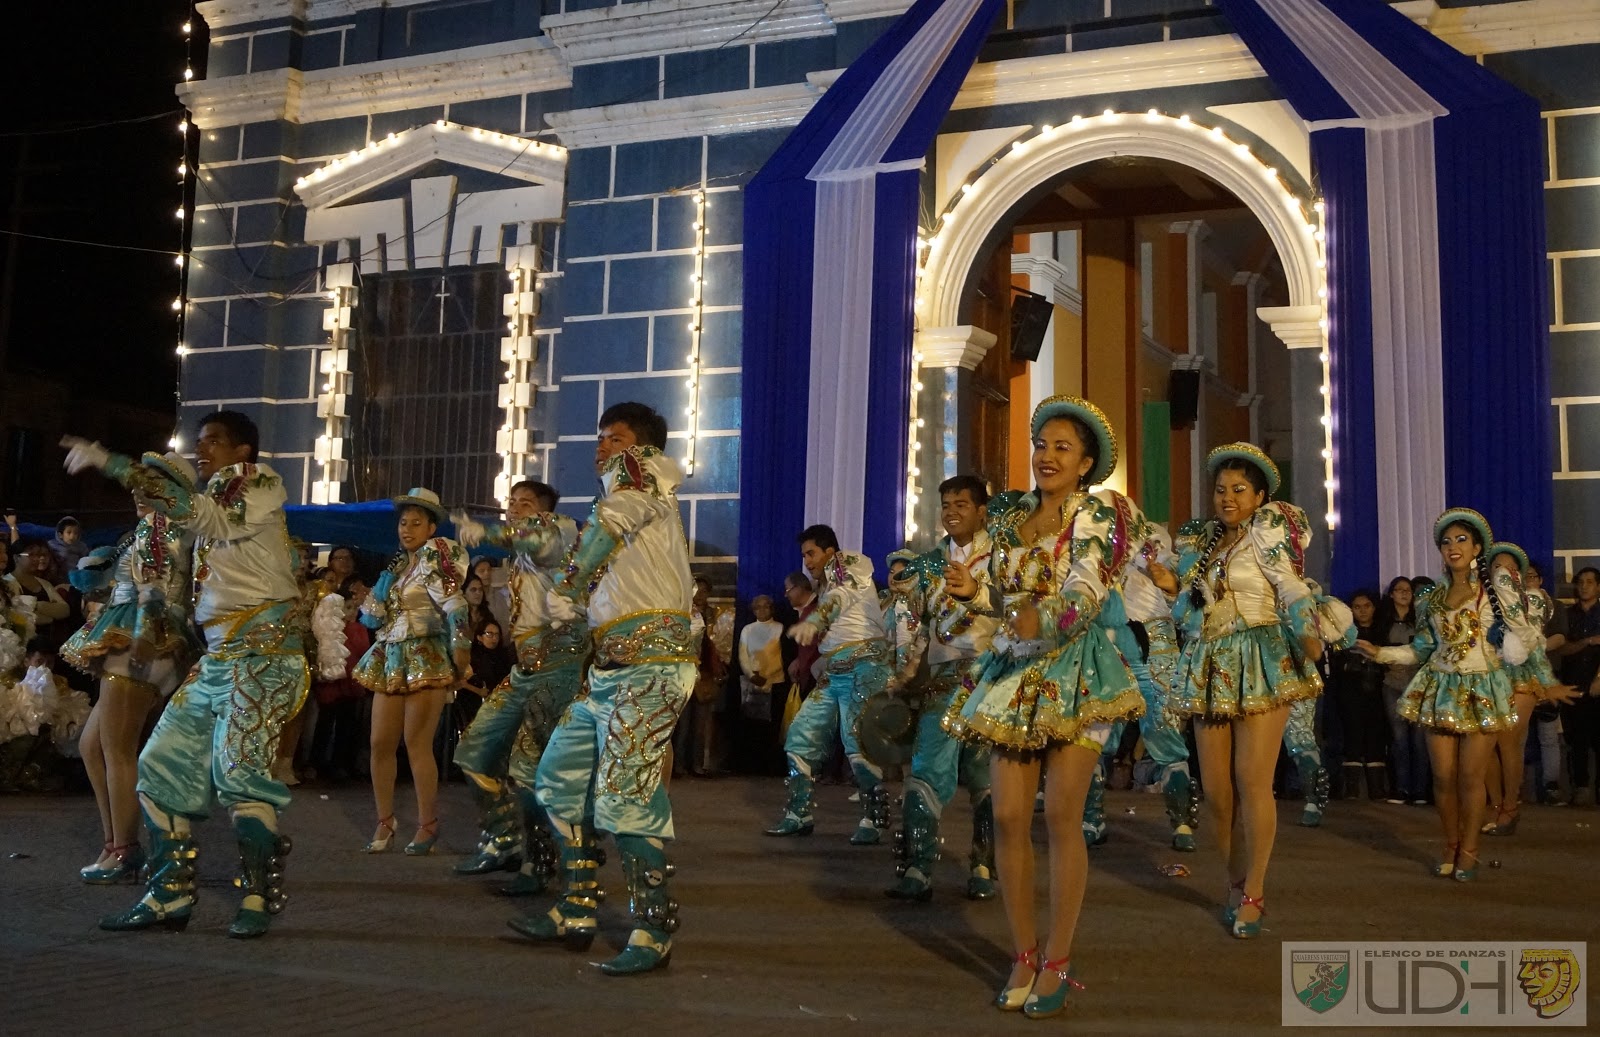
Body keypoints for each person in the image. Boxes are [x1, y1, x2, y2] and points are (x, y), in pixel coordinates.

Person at [61, 411, 308, 937]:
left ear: (244, 451)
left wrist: (114, 464)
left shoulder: (257, 483)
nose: (204, 451)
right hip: (219, 658)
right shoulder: (202, 507)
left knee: (239, 773)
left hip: (264, 655)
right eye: (200, 443)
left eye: (215, 442)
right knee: (158, 765)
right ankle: (169, 894)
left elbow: (206, 518)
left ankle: (258, 898)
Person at [942, 396, 1150, 1017]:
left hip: (1078, 673)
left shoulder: (1098, 517)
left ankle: (1058, 954)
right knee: (1007, 817)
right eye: (1042, 445)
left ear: (1086, 463)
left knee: (1061, 815)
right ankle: (1023, 951)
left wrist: (1037, 617)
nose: (1048, 455)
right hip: (1014, 673)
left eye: (1063, 447)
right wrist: (976, 592)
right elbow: (1002, 602)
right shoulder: (1011, 524)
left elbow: (1085, 594)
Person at [508, 402, 695, 976]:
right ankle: (578, 906)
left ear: (641, 447)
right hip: (607, 673)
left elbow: (598, 538)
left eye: (613, 438)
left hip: (653, 667)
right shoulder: (616, 507)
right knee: (556, 780)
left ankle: (653, 926)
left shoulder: (639, 478)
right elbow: (581, 546)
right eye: (600, 439)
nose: (602, 448)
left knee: (625, 797)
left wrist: (570, 584)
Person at [1157, 443, 1342, 938]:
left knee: (1251, 780)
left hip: (1263, 655)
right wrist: (1171, 587)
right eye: (1220, 490)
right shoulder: (1203, 546)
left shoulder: (1269, 533)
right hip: (1211, 662)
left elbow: (1290, 584)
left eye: (1239, 489)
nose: (1227, 497)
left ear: (1260, 496)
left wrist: (1309, 635)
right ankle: (1235, 882)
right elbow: (1186, 613)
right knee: (1217, 793)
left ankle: (1255, 890)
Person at [1355, 510, 1547, 881]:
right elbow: (1421, 648)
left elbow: (1526, 636)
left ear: (1477, 547)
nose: (1453, 547)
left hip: (1482, 688)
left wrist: (1510, 645)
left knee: (1470, 778)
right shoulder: (1431, 598)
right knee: (1442, 777)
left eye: (1461, 540)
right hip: (1441, 687)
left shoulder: (1494, 593)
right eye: (1446, 541)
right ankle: (1451, 844)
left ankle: (1471, 851)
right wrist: (1381, 653)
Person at [60, 456, 198, 883]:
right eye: (138, 485)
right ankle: (115, 843)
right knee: (91, 746)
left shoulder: (162, 527)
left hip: (142, 638)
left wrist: (141, 634)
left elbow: (154, 589)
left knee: (118, 750)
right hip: (137, 633)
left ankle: (124, 850)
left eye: (153, 484)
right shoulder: (150, 528)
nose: (139, 492)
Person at [448, 479, 587, 896]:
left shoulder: (559, 529)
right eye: (512, 502)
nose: (515, 508)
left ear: (545, 508)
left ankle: (542, 861)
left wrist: (488, 531)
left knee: (530, 770)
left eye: (525, 503)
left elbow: (538, 540)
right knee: (474, 752)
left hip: (561, 663)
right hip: (524, 668)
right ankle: (503, 840)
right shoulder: (519, 555)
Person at [882, 474, 1000, 902]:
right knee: (927, 770)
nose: (951, 512)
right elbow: (918, 629)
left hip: (993, 680)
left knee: (987, 778)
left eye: (961, 504)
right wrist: (905, 676)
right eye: (946, 504)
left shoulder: (1005, 558)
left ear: (982, 510)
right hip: (943, 680)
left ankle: (984, 866)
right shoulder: (927, 564)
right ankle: (918, 868)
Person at [353, 488, 471, 856]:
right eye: (403, 523)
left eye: (416, 523)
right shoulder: (397, 567)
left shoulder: (440, 556)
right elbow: (370, 616)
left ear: (432, 527)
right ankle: (385, 820)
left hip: (426, 652)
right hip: (390, 655)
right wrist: (385, 582)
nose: (407, 529)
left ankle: (427, 823)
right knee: (379, 744)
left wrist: (461, 656)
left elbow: (456, 607)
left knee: (417, 743)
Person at [764, 524, 892, 843]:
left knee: (858, 745)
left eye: (811, 553)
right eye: (804, 555)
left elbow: (842, 594)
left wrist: (816, 621)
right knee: (799, 737)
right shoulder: (823, 585)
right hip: (835, 672)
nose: (807, 561)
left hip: (864, 667)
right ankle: (798, 813)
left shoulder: (849, 563)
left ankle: (873, 818)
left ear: (830, 552)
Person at [1080, 523, 1199, 851]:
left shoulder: (1175, 565)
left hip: (1158, 652)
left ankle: (1182, 822)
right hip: (1112, 649)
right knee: (1096, 736)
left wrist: (1171, 585)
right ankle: (1092, 818)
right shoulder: (1103, 560)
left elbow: (1194, 614)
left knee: (1165, 733)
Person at [1482, 545, 1574, 834]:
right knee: (1484, 745)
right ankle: (1498, 807)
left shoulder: (1532, 600)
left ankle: (1511, 806)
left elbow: (1532, 642)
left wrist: (1548, 682)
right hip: (1486, 675)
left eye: (1508, 566)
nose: (1502, 571)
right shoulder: (1480, 600)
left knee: (1508, 742)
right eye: (1497, 566)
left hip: (1522, 676)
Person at [307, 575, 370, 782]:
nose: (350, 613)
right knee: (326, 724)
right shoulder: (332, 631)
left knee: (347, 725)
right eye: (346, 608)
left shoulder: (357, 629)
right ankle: (318, 763)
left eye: (353, 608)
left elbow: (362, 651)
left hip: (351, 685)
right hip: (335, 684)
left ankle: (340, 763)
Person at [1328, 589, 1390, 800]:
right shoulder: (1344, 633)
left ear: (1374, 607)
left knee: (1376, 736)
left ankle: (1376, 789)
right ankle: (1352, 789)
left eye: (1367, 606)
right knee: (1352, 735)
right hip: (1350, 690)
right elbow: (1336, 663)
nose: (1362, 611)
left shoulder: (1383, 631)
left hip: (1378, 690)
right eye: (1357, 607)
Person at [1374, 577, 1430, 804]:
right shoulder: (1384, 622)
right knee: (1399, 739)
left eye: (1409, 590)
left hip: (1418, 685)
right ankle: (1401, 788)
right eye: (1399, 590)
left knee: (1419, 740)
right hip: (1392, 684)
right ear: (1391, 595)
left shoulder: (1421, 621)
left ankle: (1420, 791)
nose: (1405, 594)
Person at [1551, 566, 1600, 806]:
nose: (1584, 586)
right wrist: (1588, 641)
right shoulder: (1568, 615)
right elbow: (1562, 648)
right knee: (1576, 740)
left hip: (1598, 682)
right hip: (1573, 684)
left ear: (1598, 587)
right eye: (1580, 582)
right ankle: (1580, 787)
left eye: (1590, 582)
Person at [736, 594, 786, 772]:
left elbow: (782, 655)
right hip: (753, 684)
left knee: (773, 726)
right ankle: (752, 766)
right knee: (753, 726)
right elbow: (743, 655)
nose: (762, 610)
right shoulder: (747, 630)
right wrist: (751, 675)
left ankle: (771, 766)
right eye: (758, 607)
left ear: (771, 609)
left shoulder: (779, 628)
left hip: (775, 682)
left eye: (766, 606)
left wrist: (769, 675)